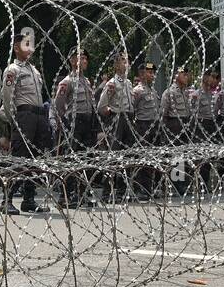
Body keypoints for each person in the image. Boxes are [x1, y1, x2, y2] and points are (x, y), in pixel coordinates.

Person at [0, 31, 50, 214]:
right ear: (16, 48)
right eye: (25, 44)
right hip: (24, 116)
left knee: (34, 160)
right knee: (19, 159)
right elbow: (7, 98)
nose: (30, 48)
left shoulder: (33, 70)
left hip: (38, 116)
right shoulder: (12, 70)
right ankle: (7, 199)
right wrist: (15, 121)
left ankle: (29, 198)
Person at [52, 49, 97, 208]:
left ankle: (81, 193)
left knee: (85, 158)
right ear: (72, 61)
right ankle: (66, 195)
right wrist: (60, 123)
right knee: (71, 159)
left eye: (85, 58)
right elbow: (58, 104)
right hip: (74, 122)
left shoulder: (87, 82)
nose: (83, 61)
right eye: (80, 58)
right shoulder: (67, 81)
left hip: (87, 123)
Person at [96, 52, 134, 202]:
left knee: (127, 156)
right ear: (116, 65)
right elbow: (101, 106)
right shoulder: (112, 83)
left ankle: (121, 192)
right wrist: (112, 113)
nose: (126, 64)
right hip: (117, 120)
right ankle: (106, 193)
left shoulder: (129, 83)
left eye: (127, 61)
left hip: (129, 120)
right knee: (113, 157)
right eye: (122, 61)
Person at [131, 62, 162, 201]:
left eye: (153, 72)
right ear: (142, 74)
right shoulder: (137, 91)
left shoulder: (152, 91)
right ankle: (141, 189)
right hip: (142, 126)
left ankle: (150, 187)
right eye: (149, 72)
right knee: (142, 159)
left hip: (154, 126)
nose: (152, 75)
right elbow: (132, 109)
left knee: (152, 159)